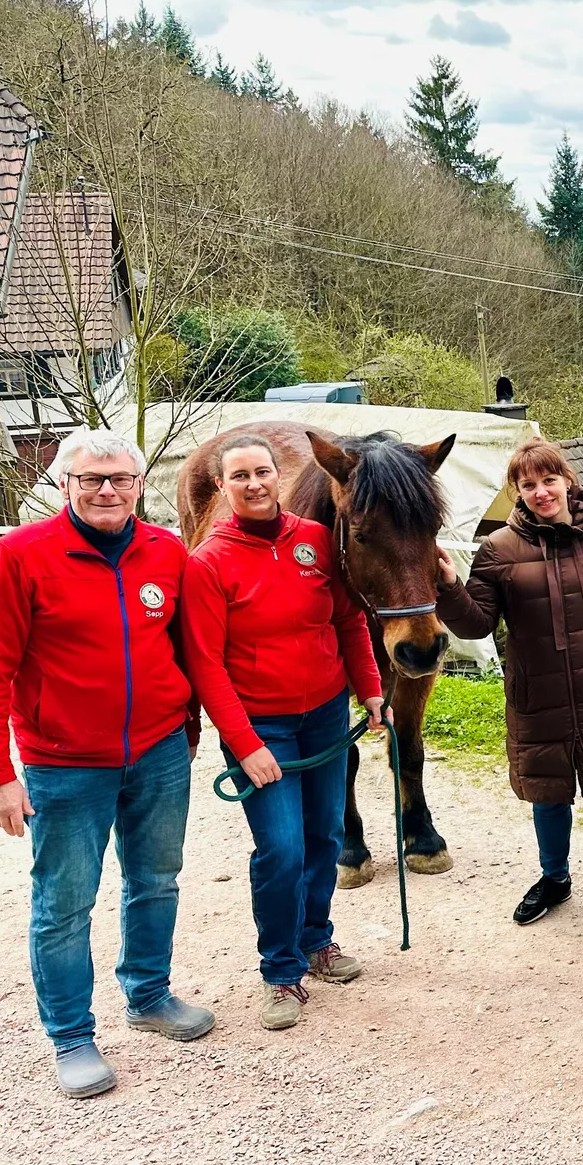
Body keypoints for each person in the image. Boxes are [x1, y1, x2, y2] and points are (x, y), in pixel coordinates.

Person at [0, 427, 214, 1097]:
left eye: (119, 479)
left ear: (137, 485)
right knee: (64, 903)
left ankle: (150, 996)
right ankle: (71, 1036)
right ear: (65, 486)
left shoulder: (166, 552)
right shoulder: (20, 557)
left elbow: (190, 651)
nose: (107, 490)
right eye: (91, 480)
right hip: (65, 764)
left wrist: (187, 726)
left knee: (156, 879)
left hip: (157, 753)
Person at [182, 435, 389, 1030]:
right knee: (281, 847)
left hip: (323, 712)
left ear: (278, 476)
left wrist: (370, 689)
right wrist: (245, 745)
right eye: (239, 476)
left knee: (325, 834)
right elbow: (205, 663)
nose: (254, 484)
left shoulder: (317, 540)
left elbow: (348, 620)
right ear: (221, 487)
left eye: (262, 472)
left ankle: (317, 939)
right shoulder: (208, 563)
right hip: (261, 724)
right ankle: (279, 970)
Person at [436, 438, 583, 935]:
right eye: (529, 484)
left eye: (549, 480)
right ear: (517, 490)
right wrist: (449, 586)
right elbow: (474, 625)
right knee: (548, 793)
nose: (541, 492)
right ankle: (554, 878)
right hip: (537, 695)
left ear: (568, 480)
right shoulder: (499, 549)